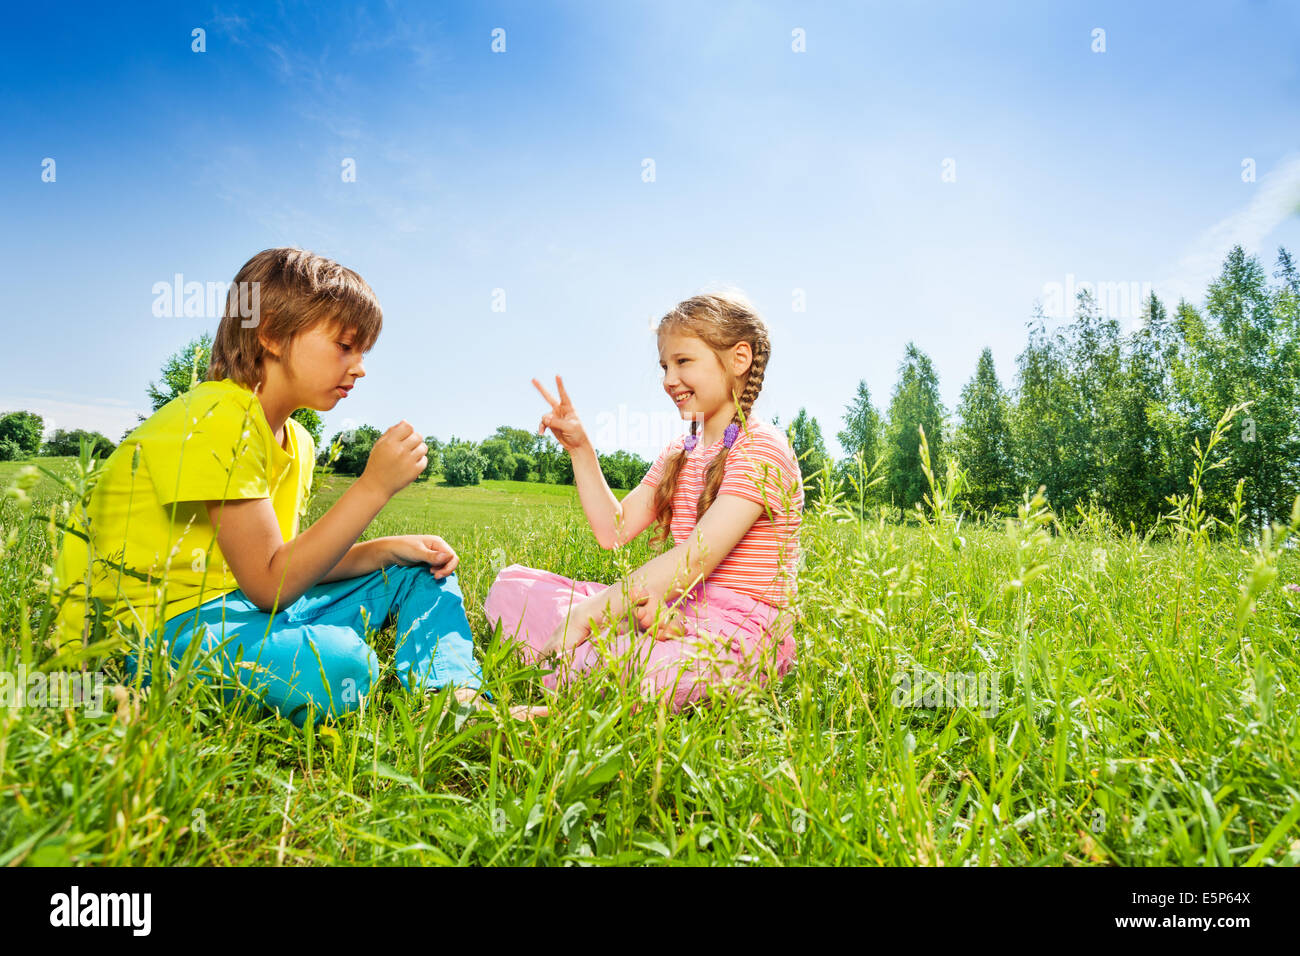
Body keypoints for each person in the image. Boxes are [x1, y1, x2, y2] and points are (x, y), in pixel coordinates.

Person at [50, 247, 533, 726]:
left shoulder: (297, 440)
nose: (360, 366)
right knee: (341, 666)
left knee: (418, 573)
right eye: (345, 347)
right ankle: (146, 688)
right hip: (160, 631)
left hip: (240, 606)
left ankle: (453, 697)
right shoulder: (218, 416)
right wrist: (372, 488)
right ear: (272, 335)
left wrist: (388, 550)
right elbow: (269, 586)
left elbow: (288, 565)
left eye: (363, 351)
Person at [484, 291, 803, 712]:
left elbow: (693, 560)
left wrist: (587, 615)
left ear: (739, 358)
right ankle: (591, 670)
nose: (669, 379)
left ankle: (571, 692)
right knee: (511, 588)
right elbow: (613, 530)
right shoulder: (681, 449)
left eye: (683, 361)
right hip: (674, 612)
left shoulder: (762, 449)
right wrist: (581, 448)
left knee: (636, 666)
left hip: (740, 634)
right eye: (664, 366)